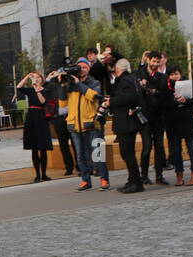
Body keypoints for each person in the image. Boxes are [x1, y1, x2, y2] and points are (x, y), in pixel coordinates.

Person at [63, 59, 108, 192]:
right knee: (80, 156)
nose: (81, 69)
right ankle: (85, 180)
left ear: (88, 69)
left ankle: (104, 179)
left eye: (84, 67)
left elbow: (94, 97)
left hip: (92, 123)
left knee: (98, 154)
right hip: (75, 125)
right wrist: (61, 84)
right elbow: (61, 103)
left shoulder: (94, 83)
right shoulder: (70, 84)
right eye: (79, 67)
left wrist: (79, 84)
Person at [107, 58, 145, 193]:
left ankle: (137, 182)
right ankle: (132, 180)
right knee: (127, 153)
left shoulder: (124, 80)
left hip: (126, 122)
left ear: (118, 70)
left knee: (127, 153)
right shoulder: (130, 79)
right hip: (127, 121)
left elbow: (130, 97)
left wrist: (111, 101)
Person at [137, 52, 170, 185]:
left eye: (158, 62)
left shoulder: (162, 77)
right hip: (144, 116)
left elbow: (164, 94)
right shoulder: (140, 73)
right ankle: (144, 175)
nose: (155, 64)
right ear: (148, 60)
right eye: (153, 61)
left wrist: (153, 91)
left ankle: (159, 174)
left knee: (159, 146)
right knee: (146, 146)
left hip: (158, 115)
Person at [165, 65, 193, 186]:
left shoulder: (188, 84)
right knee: (176, 151)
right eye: (171, 74)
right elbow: (162, 104)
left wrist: (185, 100)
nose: (174, 76)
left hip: (187, 121)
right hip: (173, 122)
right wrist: (174, 101)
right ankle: (179, 175)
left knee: (191, 148)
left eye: (176, 74)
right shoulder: (166, 87)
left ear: (180, 74)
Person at [15, 71, 54, 182]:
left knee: (43, 148)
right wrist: (27, 76)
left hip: (41, 119)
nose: (36, 79)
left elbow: (43, 102)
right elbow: (19, 87)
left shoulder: (46, 90)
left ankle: (44, 174)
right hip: (31, 118)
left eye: (38, 77)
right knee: (34, 148)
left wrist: (37, 89)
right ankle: (37, 174)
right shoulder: (30, 90)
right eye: (34, 77)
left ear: (42, 79)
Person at [44, 70, 78, 177]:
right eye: (59, 75)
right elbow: (43, 91)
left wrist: (66, 78)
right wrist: (48, 78)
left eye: (62, 74)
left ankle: (80, 165)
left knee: (75, 142)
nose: (60, 77)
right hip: (58, 118)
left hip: (71, 116)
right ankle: (69, 167)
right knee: (63, 144)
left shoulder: (69, 83)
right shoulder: (52, 85)